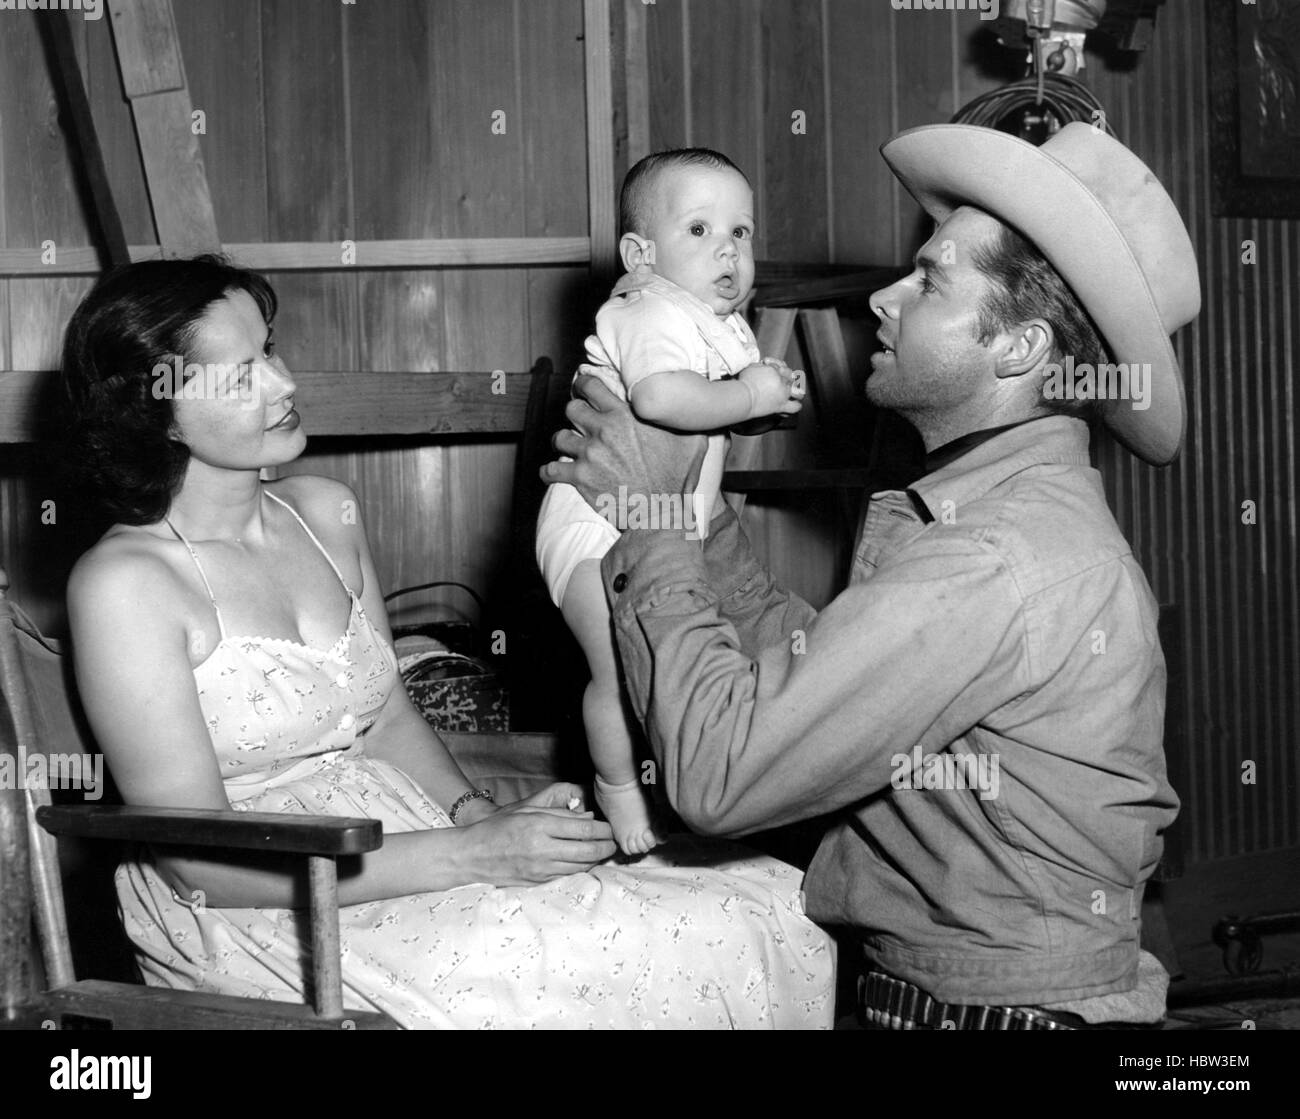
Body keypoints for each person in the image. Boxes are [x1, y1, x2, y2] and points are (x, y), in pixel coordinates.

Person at [60, 255, 835, 1030]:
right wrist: (473, 855)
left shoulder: (325, 513)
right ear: (152, 410)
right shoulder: (123, 586)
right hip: (260, 904)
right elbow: (199, 860)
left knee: (766, 897)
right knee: (617, 949)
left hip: (403, 836)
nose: (284, 381)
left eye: (270, 348)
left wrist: (476, 813)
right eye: (240, 375)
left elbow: (389, 718)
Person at [544, 122, 1201, 1029]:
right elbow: (821, 678)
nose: (883, 300)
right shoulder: (995, 516)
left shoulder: (993, 558)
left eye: (929, 279)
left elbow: (720, 774)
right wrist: (688, 503)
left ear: (1019, 350)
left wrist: (652, 520)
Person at [536, 148, 803, 854]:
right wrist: (748, 394)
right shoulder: (647, 307)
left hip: (664, 518)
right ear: (640, 253)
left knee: (668, 661)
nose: (727, 248)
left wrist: (761, 400)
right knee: (622, 667)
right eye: (699, 229)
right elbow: (660, 397)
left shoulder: (721, 320)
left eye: (741, 233)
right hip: (594, 519)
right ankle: (619, 794)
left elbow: (709, 409)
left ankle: (669, 786)